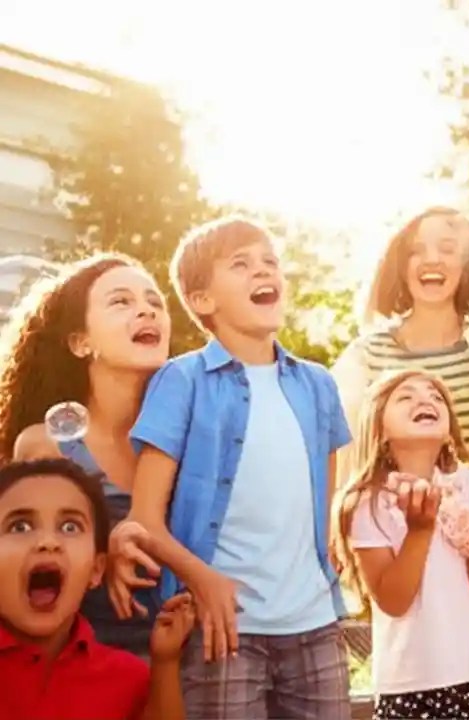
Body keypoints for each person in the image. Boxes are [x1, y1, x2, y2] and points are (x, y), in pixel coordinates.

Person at [117, 217, 354, 719]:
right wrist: (203, 580)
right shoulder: (182, 380)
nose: (263, 271)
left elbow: (323, 508)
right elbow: (144, 520)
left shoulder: (318, 385)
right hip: (221, 628)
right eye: (241, 264)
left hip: (314, 624)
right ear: (202, 300)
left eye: (270, 262)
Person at [330, 207, 469, 717]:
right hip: (410, 528)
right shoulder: (370, 352)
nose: (431, 260)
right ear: (398, 265)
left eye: (448, 249)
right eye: (417, 250)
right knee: (429, 658)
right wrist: (333, 529)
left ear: (468, 264)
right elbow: (342, 438)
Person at [332, 369, 469, 719]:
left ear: (449, 431)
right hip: (411, 681)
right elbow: (394, 601)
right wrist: (420, 531)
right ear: (379, 430)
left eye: (436, 397)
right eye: (406, 397)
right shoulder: (368, 504)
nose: (425, 400)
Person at [0, 253, 170, 656]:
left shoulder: (182, 439)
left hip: (186, 659)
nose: (146, 310)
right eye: (121, 301)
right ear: (81, 342)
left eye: (154, 302)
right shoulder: (47, 444)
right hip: (88, 662)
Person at [0, 458, 193, 720]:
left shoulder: (128, 678)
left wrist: (166, 663)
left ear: (96, 570)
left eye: (70, 527)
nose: (47, 542)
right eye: (20, 526)